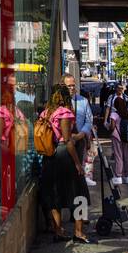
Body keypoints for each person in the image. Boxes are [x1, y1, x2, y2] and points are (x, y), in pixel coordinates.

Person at [37, 85, 91, 244]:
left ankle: (58, 230)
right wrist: (78, 164)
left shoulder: (45, 113)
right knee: (79, 194)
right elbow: (68, 141)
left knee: (54, 195)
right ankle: (79, 232)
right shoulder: (64, 113)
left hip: (50, 156)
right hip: (64, 156)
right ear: (66, 97)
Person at [107, 84, 128, 185]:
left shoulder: (114, 114)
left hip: (116, 136)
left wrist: (109, 127)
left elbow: (112, 127)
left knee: (118, 156)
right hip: (126, 137)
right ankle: (127, 176)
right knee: (127, 156)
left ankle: (118, 176)